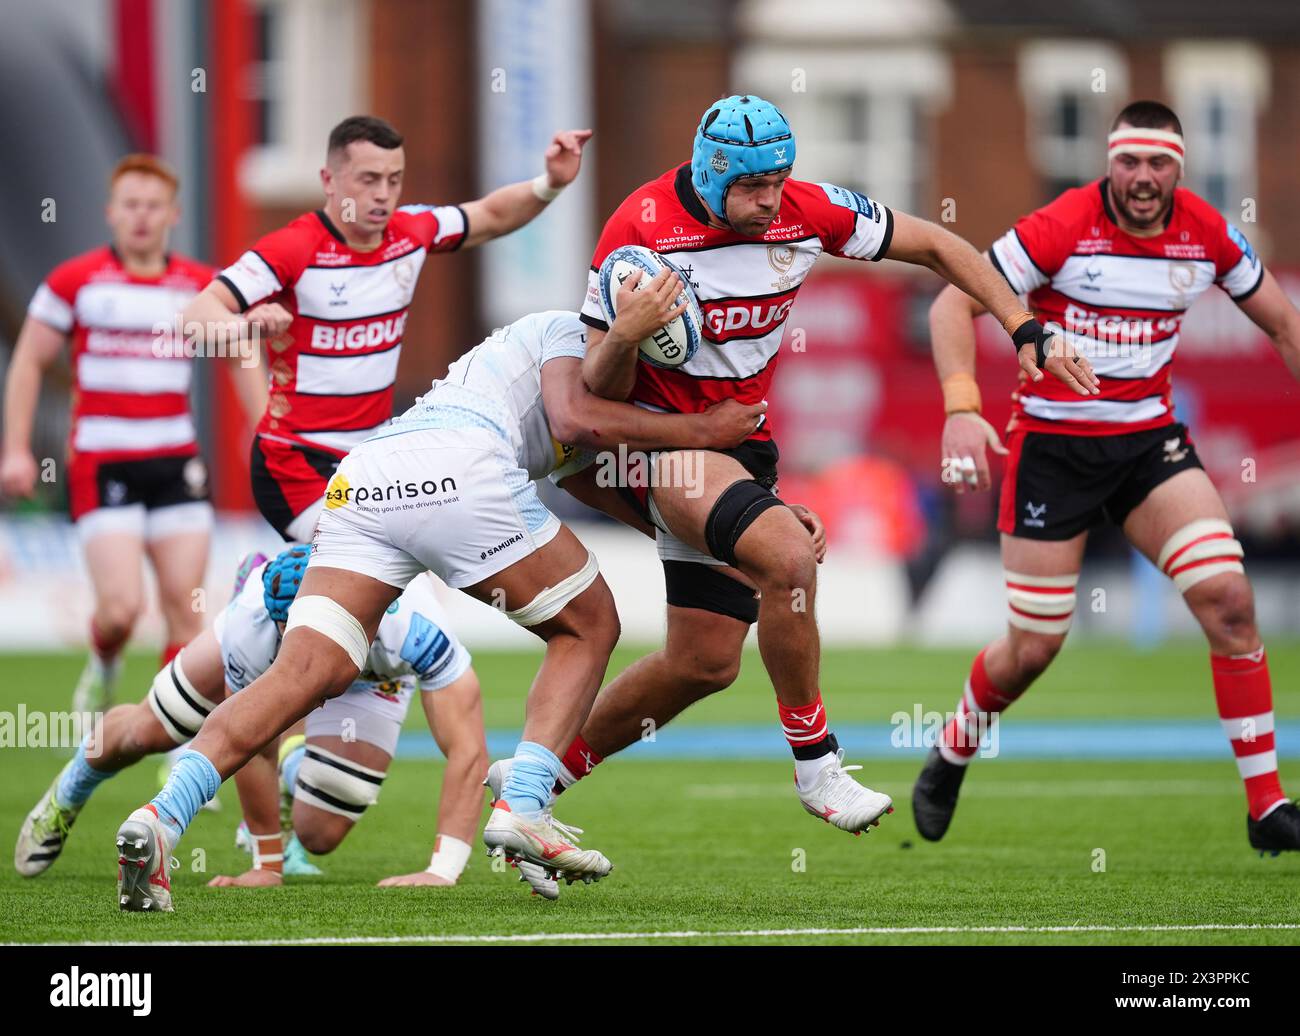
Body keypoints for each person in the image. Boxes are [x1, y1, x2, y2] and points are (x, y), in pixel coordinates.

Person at [110, 288, 763, 911]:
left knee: (305, 673)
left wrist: (741, 536)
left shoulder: (596, 379)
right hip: (460, 465)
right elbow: (574, 418)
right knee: (590, 624)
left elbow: (606, 482)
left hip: (368, 473)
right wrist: (705, 427)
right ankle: (525, 806)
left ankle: (162, 816)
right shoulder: (569, 334)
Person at [551, 94, 1096, 833]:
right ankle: (818, 767)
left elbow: (938, 246)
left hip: (739, 444)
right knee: (788, 558)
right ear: (709, 177)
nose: (767, 200)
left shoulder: (808, 210)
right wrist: (627, 333)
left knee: (704, 662)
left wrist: (1023, 325)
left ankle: (536, 782)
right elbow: (595, 386)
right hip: (661, 443)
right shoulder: (640, 229)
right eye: (749, 187)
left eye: (777, 182)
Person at [913, 100, 1300, 854]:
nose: (1143, 178)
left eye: (1159, 163)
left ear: (1179, 167)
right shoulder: (1063, 224)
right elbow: (950, 307)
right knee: (1033, 649)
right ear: (1110, 163)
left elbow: (1284, 325)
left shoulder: (1208, 234)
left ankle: (1265, 807)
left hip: (1148, 448)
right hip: (1052, 452)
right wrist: (962, 407)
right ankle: (955, 748)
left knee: (1229, 602)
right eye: (1129, 162)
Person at [182, 114, 592, 543]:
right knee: (368, 566)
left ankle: (271, 595)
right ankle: (266, 596)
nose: (383, 194)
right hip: (296, 466)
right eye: (368, 179)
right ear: (329, 180)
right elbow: (195, 316)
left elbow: (489, 214)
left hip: (371, 458)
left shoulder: (409, 233)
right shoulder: (294, 248)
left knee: (388, 581)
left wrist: (549, 182)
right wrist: (243, 323)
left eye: (394, 180)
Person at [16, 547, 518, 894]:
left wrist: (443, 870)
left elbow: (467, 747)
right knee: (148, 730)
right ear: (281, 623)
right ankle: (67, 794)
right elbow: (249, 742)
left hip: (369, 677)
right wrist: (267, 866)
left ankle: (297, 767)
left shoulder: (411, 628)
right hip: (264, 654)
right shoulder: (253, 628)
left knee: (321, 833)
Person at [1, 154, 262, 713]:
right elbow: (27, 361)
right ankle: (105, 658)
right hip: (104, 464)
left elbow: (240, 353)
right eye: (131, 206)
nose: (141, 217)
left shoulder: (198, 288)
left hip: (177, 465)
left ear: (172, 214)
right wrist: (16, 450)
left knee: (185, 610)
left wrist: (262, 431)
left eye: (153, 207)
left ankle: (177, 733)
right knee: (120, 610)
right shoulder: (76, 282)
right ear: (111, 214)